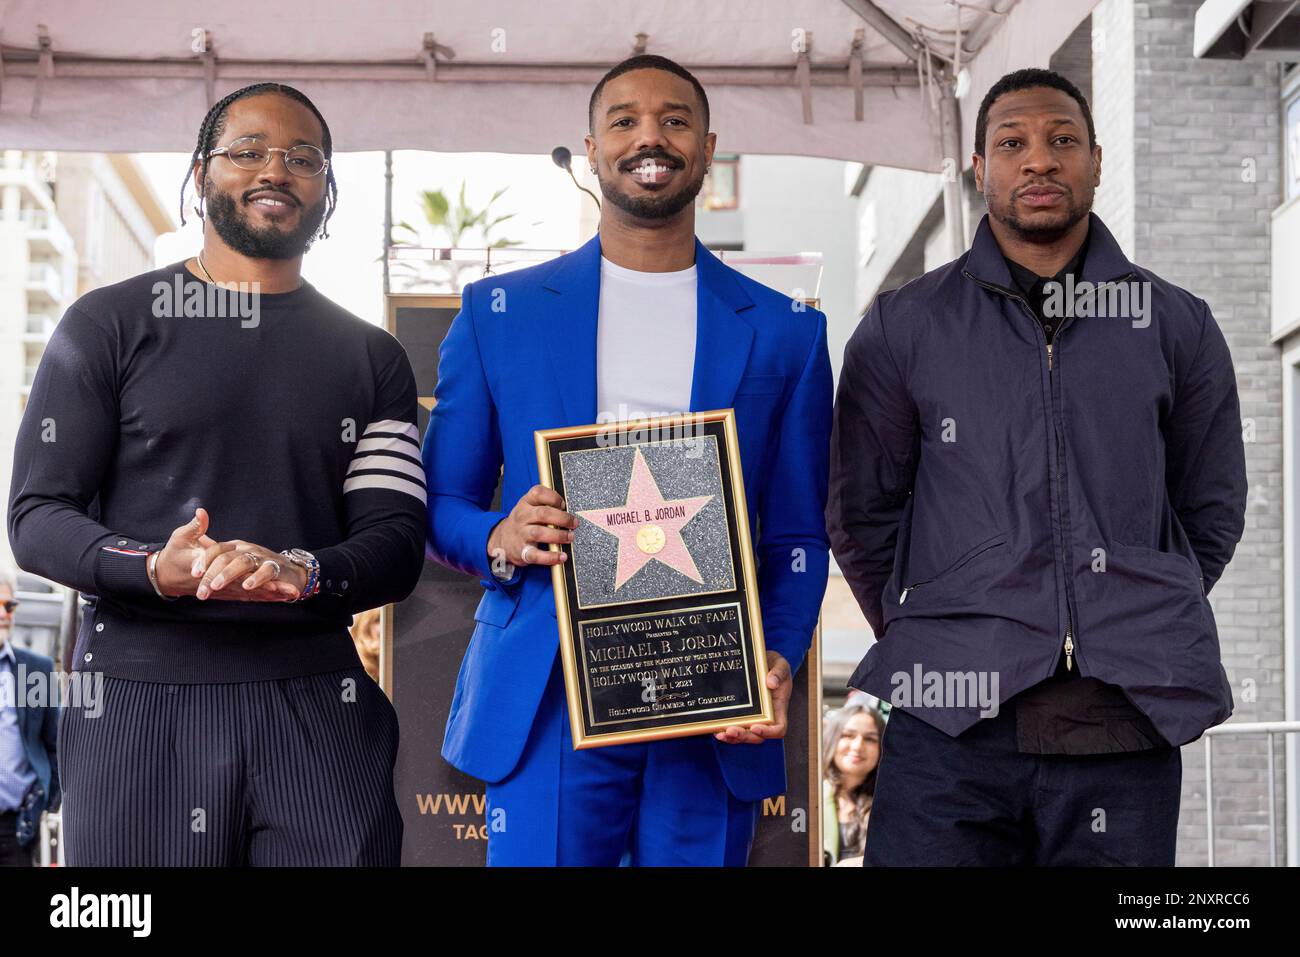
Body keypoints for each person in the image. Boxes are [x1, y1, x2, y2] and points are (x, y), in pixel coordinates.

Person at [828, 68, 1247, 866]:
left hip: (1121, 717)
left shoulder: (1174, 323)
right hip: (948, 717)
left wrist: (1129, 602)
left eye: (1062, 142)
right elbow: (861, 512)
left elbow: (1210, 506)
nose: (1039, 161)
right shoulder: (903, 326)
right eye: (1012, 143)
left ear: (1095, 159)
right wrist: (942, 624)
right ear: (979, 170)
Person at [424, 54, 831, 866]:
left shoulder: (790, 332)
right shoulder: (498, 315)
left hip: (711, 691)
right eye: (625, 121)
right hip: (547, 689)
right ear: (590, 149)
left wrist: (776, 655)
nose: (652, 137)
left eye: (676, 120)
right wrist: (501, 535)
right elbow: (439, 505)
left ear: (709, 148)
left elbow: (800, 534)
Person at [8, 82, 425, 866]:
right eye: (248, 151)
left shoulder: (372, 358)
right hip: (136, 703)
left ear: (327, 187)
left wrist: (300, 570)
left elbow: (397, 540)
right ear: (200, 175)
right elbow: (36, 514)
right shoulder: (106, 324)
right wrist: (154, 567)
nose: (277, 168)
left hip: (318, 705)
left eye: (304, 156)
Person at [0, 567, 58, 867]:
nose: (4, 614)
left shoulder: (36, 670)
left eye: (8, 606)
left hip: (16, 827)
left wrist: (47, 800)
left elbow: (55, 744)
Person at [821, 704, 882, 865]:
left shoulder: (892, 803)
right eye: (848, 735)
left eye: (870, 739)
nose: (857, 746)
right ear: (832, 739)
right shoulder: (809, 799)